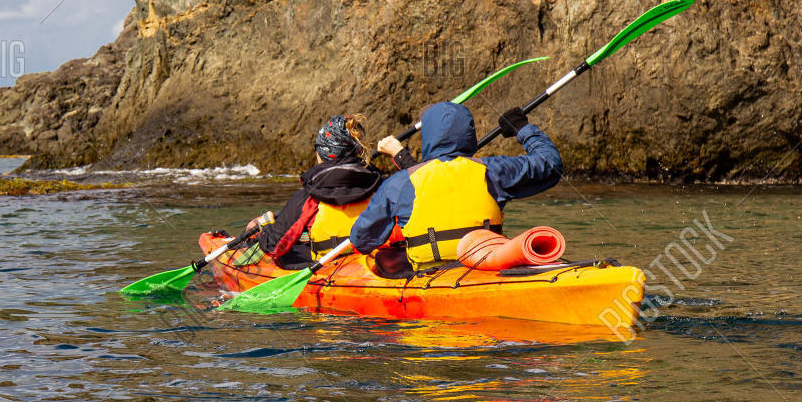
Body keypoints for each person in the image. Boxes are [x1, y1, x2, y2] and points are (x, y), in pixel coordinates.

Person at [349, 101, 561, 275]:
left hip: (429, 276)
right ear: (469, 135)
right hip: (486, 268)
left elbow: (362, 240)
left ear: (428, 136)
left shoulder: (399, 183)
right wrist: (522, 128)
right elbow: (550, 164)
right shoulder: (492, 170)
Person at [240, 115, 384, 271]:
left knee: (286, 249)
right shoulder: (381, 186)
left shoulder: (309, 198)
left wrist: (267, 222)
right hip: (375, 263)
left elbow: (272, 245)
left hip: (329, 269)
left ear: (321, 153)